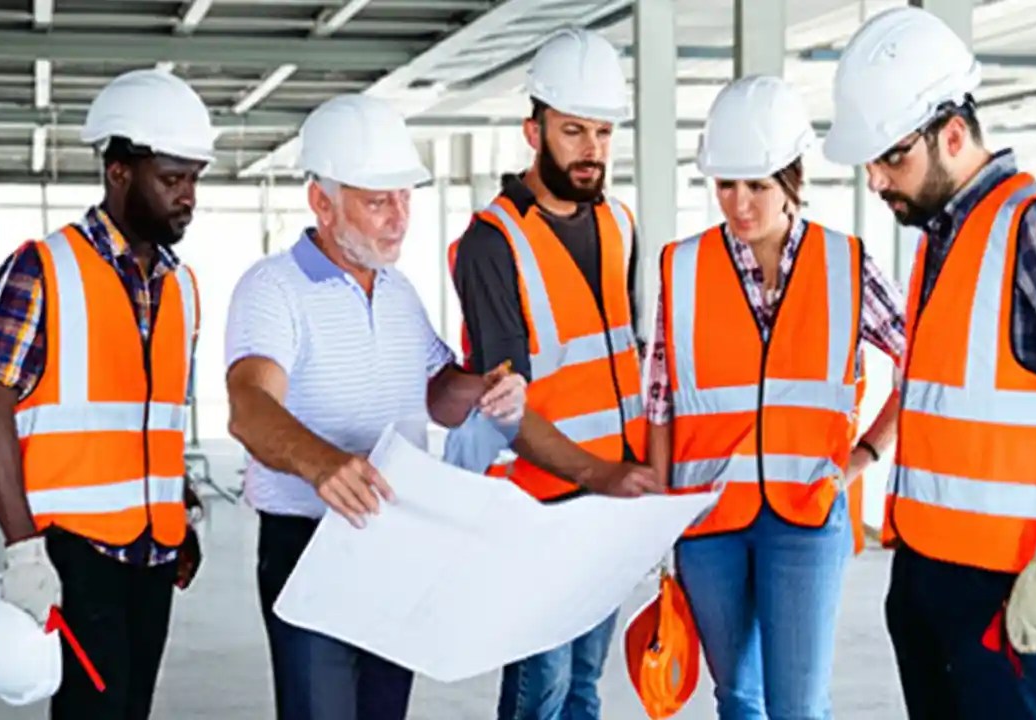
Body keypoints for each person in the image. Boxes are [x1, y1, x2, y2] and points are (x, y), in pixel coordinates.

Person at [224, 93, 656, 720]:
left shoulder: (397, 291)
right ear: (322, 201)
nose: (398, 218)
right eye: (377, 201)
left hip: (394, 539)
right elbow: (248, 406)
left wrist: (481, 390)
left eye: (404, 197)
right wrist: (322, 463)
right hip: (310, 543)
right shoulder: (273, 288)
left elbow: (438, 391)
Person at [823, 7, 1036, 719]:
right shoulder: (940, 240)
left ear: (952, 133)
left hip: (1006, 587)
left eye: (892, 158)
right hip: (926, 574)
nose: (877, 182)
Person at [645, 75, 908, 719]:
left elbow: (922, 362)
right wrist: (656, 506)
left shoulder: (846, 264)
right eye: (725, 184)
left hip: (807, 517)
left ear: (791, 179)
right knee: (738, 698)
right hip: (708, 520)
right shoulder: (681, 267)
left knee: (798, 707)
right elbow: (660, 400)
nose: (738, 204)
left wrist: (868, 452)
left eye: (756, 185)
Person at [0, 68, 214, 719]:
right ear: (119, 171)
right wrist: (22, 550)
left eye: (194, 178)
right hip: (74, 552)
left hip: (153, 549)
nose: (187, 196)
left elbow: (151, 418)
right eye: (171, 178)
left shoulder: (180, 287)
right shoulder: (41, 269)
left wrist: (177, 507)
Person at [449, 27, 661, 720]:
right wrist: (599, 474)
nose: (591, 149)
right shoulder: (492, 242)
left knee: (585, 685)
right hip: (539, 503)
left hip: (608, 502)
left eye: (602, 131)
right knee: (540, 686)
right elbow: (507, 406)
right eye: (573, 130)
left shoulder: (619, 225)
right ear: (533, 130)